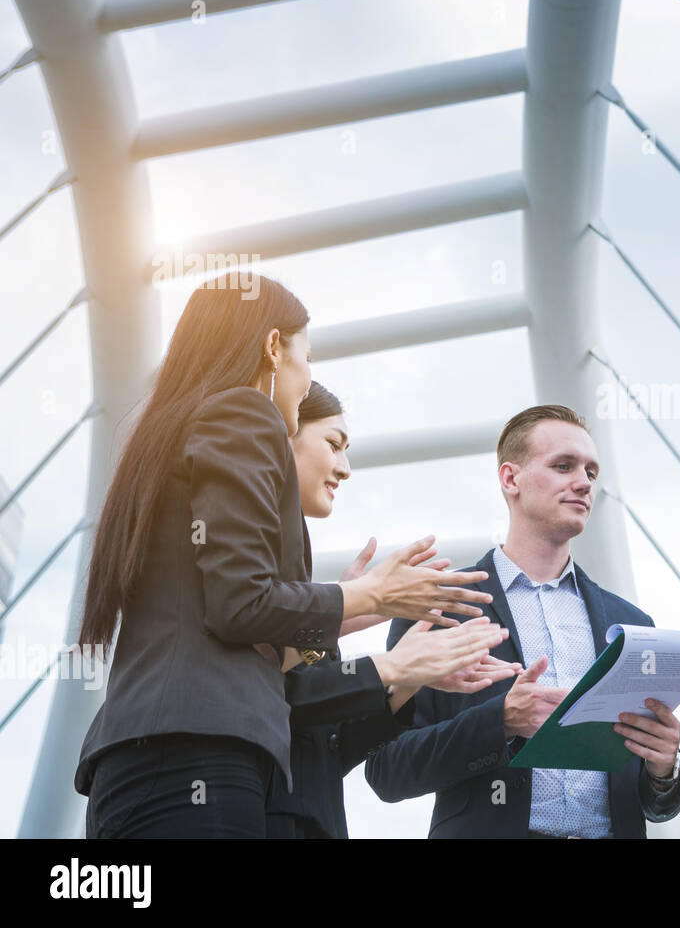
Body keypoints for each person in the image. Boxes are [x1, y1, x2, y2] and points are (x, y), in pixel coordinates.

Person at [75, 274, 497, 838]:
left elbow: (237, 627)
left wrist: (349, 616)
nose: (306, 381)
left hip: (149, 768)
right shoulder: (244, 414)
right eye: (307, 357)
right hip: (194, 762)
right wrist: (371, 598)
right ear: (273, 346)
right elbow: (240, 603)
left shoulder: (173, 432)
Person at [365, 405, 680, 837]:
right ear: (510, 478)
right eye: (563, 466)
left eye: (592, 472)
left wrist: (665, 766)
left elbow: (655, 803)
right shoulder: (439, 609)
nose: (584, 483)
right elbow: (388, 770)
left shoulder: (632, 624)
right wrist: (498, 721)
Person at [267, 381, 521, 838]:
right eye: (333, 444)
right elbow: (267, 689)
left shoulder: (294, 575)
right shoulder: (252, 561)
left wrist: (405, 678)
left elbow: (327, 745)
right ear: (283, 434)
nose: (345, 469)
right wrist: (361, 623)